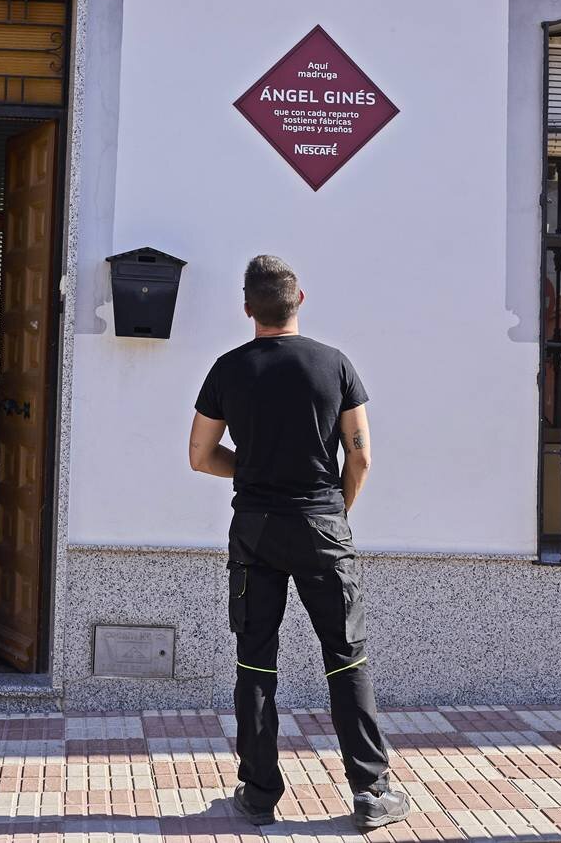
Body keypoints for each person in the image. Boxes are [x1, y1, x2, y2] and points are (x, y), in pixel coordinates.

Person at [188, 254, 412, 832]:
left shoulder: (227, 370)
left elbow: (200, 455)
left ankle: (258, 794)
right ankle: (370, 790)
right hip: (320, 524)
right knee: (346, 655)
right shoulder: (334, 365)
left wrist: (254, 467)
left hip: (256, 528)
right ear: (300, 300)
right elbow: (359, 455)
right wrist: (336, 510)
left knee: (254, 660)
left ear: (247, 309)